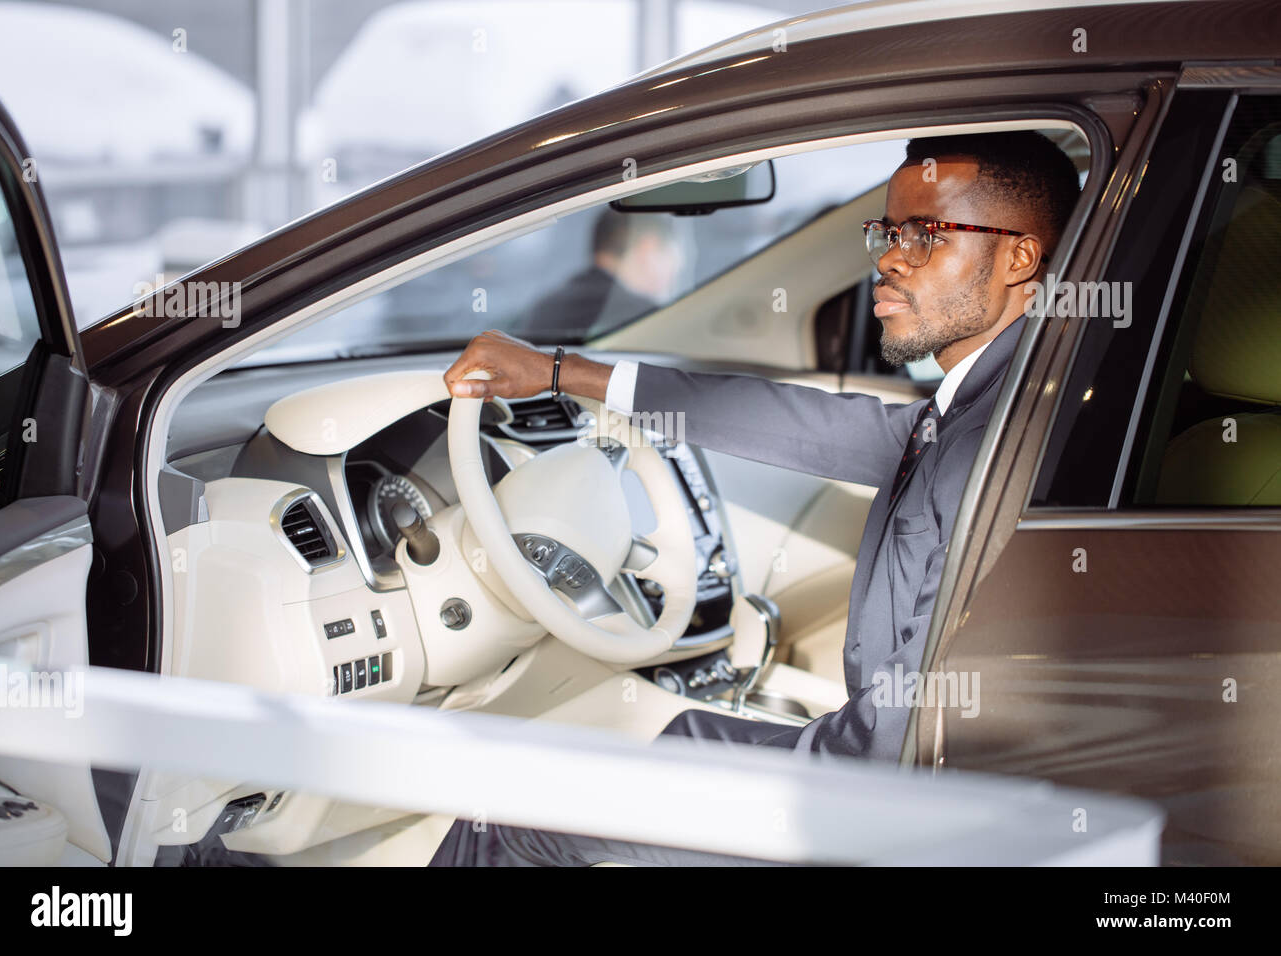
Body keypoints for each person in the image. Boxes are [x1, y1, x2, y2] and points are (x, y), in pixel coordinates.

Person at [432, 131, 1081, 865]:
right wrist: (567, 372)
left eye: (926, 235)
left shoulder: (994, 440)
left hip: (907, 807)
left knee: (514, 813)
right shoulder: (991, 401)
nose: (891, 259)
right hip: (918, 779)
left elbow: (895, 744)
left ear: (1020, 258)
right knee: (683, 737)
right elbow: (807, 424)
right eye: (889, 233)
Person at [510, 207, 681, 340]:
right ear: (647, 249)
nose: (673, 271)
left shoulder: (544, 308)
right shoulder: (645, 318)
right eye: (669, 256)